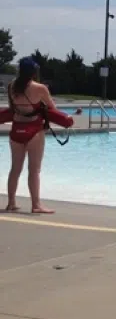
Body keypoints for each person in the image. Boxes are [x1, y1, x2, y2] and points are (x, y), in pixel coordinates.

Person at [5, 57, 55, 214]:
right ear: (34, 71)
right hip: (34, 129)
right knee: (34, 170)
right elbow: (52, 108)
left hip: (16, 129)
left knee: (15, 168)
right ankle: (36, 205)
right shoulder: (40, 88)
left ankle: (11, 202)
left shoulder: (11, 86)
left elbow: (11, 108)